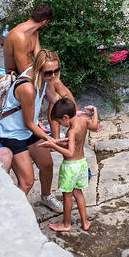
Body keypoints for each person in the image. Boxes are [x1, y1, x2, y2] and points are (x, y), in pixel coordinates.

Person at [0, 49, 68, 208]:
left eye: (56, 71)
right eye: (48, 72)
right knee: (27, 182)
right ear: (39, 70)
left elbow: (56, 99)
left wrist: (75, 114)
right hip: (11, 134)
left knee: (47, 165)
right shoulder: (27, 88)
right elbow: (29, 123)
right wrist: (50, 139)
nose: (52, 76)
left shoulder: (46, 80)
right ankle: (11, 211)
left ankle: (46, 196)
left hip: (28, 130)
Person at [46, 98, 99, 233]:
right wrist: (95, 111)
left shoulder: (72, 131)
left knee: (67, 195)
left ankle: (66, 223)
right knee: (78, 192)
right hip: (82, 163)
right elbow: (95, 126)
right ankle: (85, 222)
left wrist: (53, 145)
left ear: (65, 117)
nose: (61, 125)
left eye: (59, 122)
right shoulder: (84, 121)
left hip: (70, 167)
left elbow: (69, 153)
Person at [3, 4, 51, 77]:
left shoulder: (34, 32)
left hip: (31, 70)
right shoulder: (19, 37)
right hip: (17, 77)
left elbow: (39, 57)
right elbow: (23, 71)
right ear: (44, 22)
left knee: (55, 79)